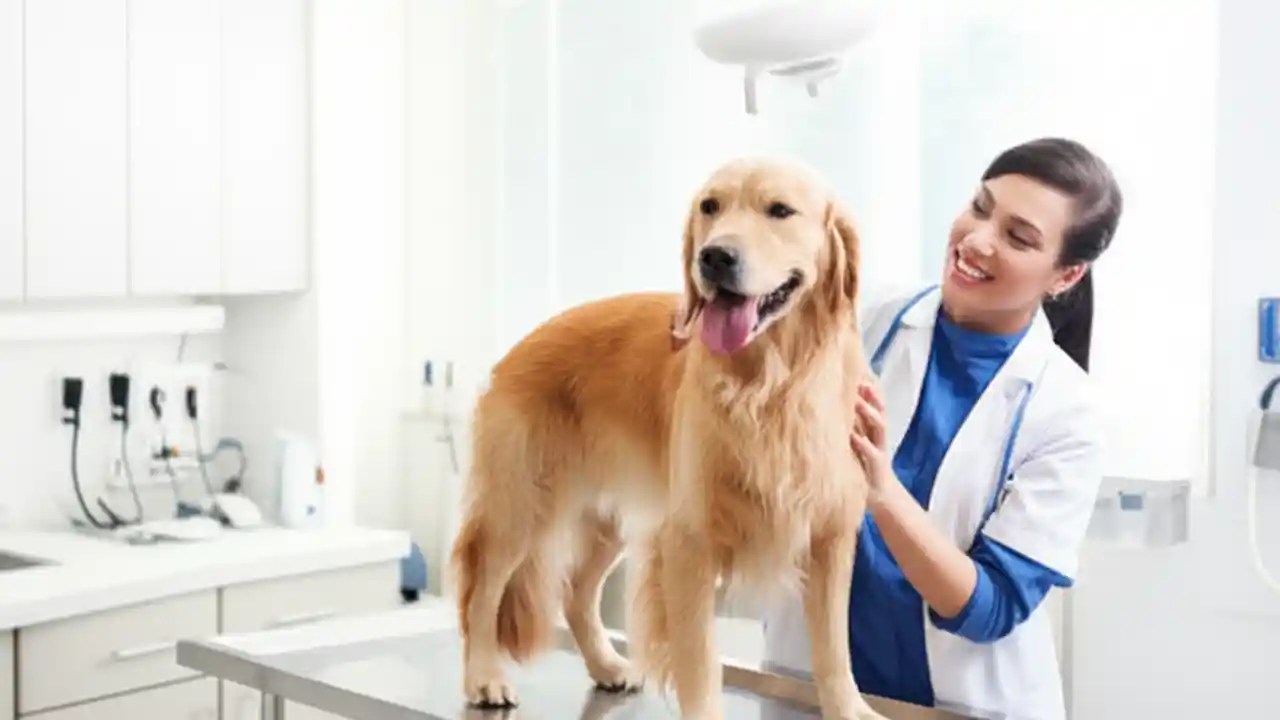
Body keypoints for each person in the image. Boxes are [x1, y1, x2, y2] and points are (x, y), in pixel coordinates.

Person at [762, 137, 1123, 720]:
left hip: (962, 706)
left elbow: (990, 606)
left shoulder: (1067, 413)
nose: (977, 240)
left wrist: (879, 490)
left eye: (1019, 236)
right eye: (980, 208)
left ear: (1066, 274)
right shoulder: (861, 317)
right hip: (813, 690)